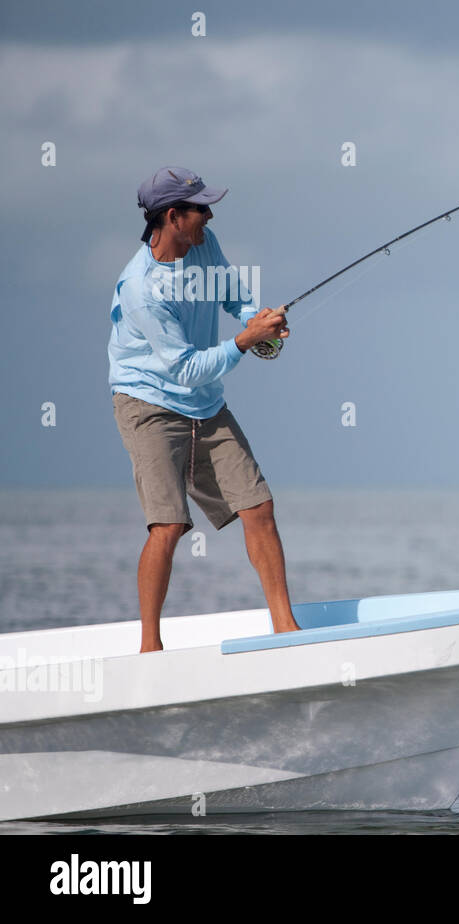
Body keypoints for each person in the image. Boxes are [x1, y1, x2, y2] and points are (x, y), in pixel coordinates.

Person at [108, 166, 299, 652]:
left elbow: (233, 292)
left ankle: (286, 631)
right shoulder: (141, 289)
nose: (209, 215)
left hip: (205, 402)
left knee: (259, 507)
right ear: (173, 217)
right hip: (148, 403)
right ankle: (150, 648)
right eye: (200, 208)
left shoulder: (204, 243)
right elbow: (187, 369)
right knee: (169, 525)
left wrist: (258, 321)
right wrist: (244, 340)